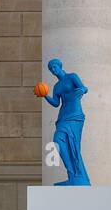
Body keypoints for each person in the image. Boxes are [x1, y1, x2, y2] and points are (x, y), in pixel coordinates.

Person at [35, 58, 91, 186]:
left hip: (75, 115)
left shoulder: (72, 76)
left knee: (74, 145)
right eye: (51, 69)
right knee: (58, 141)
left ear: (59, 66)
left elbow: (83, 88)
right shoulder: (56, 86)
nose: (53, 71)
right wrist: (44, 95)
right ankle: (72, 174)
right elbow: (56, 103)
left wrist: (82, 90)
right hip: (63, 116)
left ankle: (79, 177)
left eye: (54, 67)